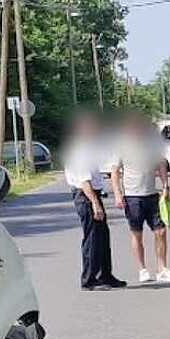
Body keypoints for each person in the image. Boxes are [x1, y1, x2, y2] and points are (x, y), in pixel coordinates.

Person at [62, 114, 125, 291]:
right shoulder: (80, 151)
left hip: (93, 194)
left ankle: (105, 275)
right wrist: (95, 204)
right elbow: (84, 181)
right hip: (86, 196)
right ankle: (88, 278)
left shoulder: (89, 148)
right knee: (92, 239)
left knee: (103, 237)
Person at [113, 113, 170, 283]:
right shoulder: (121, 146)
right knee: (137, 234)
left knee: (161, 232)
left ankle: (162, 269)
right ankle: (142, 269)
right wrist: (118, 194)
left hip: (152, 194)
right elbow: (114, 172)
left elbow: (161, 164)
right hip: (132, 196)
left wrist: (165, 186)